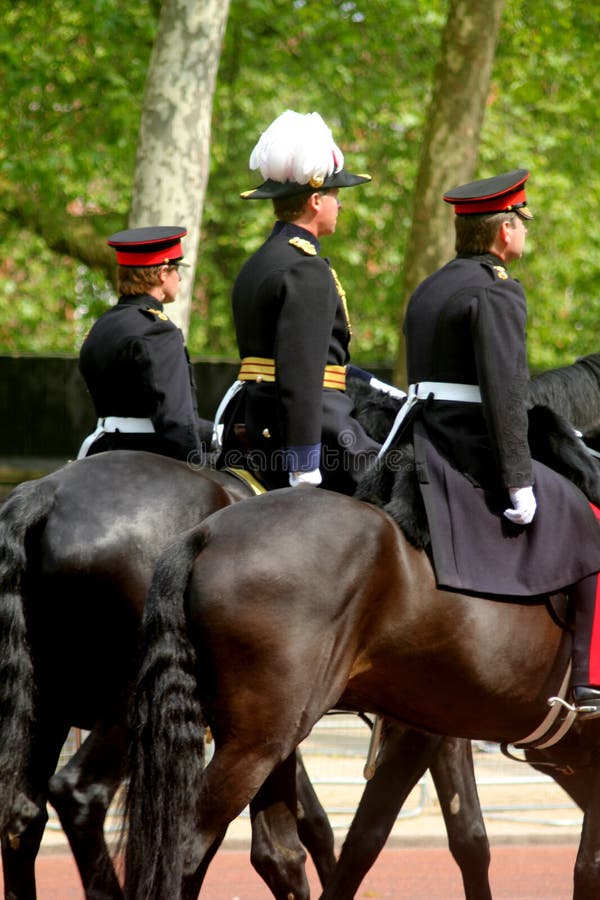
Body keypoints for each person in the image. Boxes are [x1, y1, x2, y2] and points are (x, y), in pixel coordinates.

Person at [397, 168, 600, 715]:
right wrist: (518, 481)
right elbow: (505, 395)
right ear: (504, 229)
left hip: (421, 438)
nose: (525, 232)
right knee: (591, 521)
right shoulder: (497, 290)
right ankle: (589, 677)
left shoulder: (432, 286)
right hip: (470, 447)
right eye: (522, 222)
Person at [217, 109, 393, 495]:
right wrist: (304, 462)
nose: (339, 205)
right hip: (314, 429)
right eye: (335, 195)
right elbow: (301, 372)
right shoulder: (306, 268)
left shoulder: (260, 261)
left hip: (252, 418)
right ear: (315, 200)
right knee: (411, 491)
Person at [78, 226, 211, 462]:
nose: (179, 278)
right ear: (162, 273)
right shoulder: (157, 330)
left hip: (101, 449)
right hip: (149, 454)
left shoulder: (102, 324)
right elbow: (177, 422)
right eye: (177, 270)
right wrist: (195, 464)